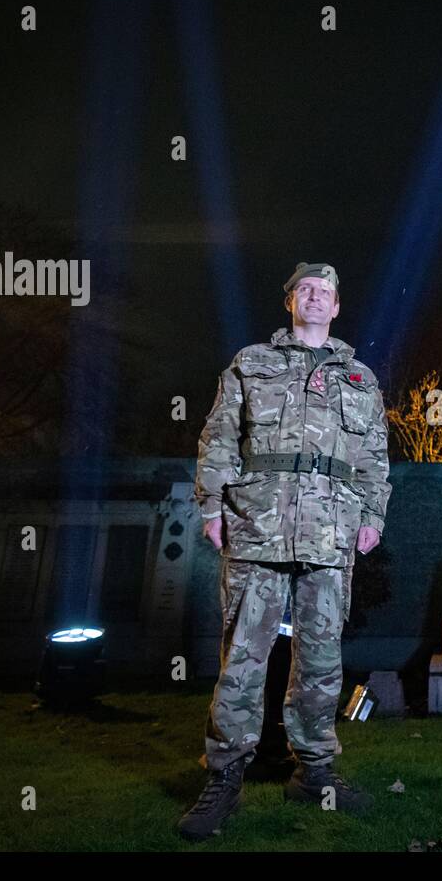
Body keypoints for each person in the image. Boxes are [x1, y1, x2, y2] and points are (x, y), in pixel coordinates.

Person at [177, 261, 391, 841]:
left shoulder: (361, 379)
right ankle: (224, 776)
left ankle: (315, 770)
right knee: (244, 654)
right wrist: (212, 507)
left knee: (321, 661)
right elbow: (219, 437)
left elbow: (374, 455)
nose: (316, 298)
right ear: (290, 301)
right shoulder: (252, 363)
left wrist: (372, 516)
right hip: (258, 523)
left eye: (326, 292)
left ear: (338, 306)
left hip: (329, 530)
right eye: (306, 290)